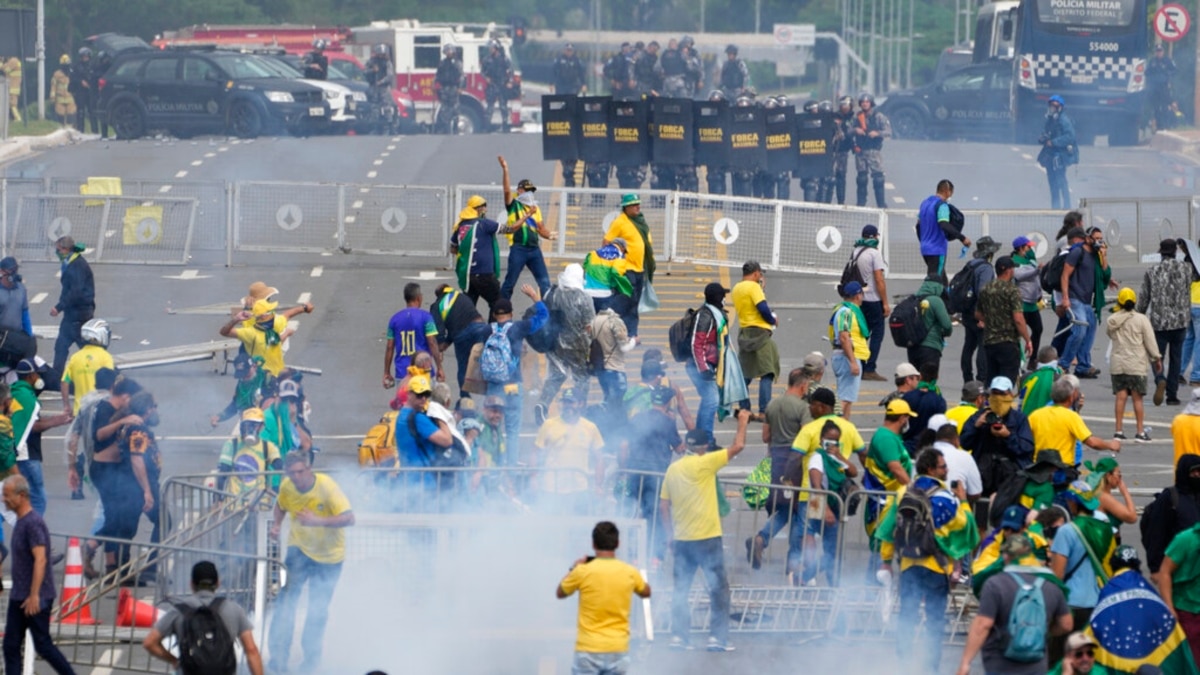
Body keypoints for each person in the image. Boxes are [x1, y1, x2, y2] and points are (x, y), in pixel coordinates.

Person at [875, 448, 979, 673]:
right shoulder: (947, 498)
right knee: (934, 621)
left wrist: (886, 560)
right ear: (931, 469)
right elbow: (966, 531)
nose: (947, 470)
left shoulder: (905, 491)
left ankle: (903, 665)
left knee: (907, 616)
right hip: (936, 568)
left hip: (908, 565)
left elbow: (888, 528)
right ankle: (931, 668)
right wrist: (964, 503)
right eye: (943, 467)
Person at [659, 410, 750, 652]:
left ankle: (679, 637)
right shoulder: (706, 462)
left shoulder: (673, 469)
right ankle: (717, 638)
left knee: (681, 590)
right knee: (718, 589)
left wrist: (669, 535)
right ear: (703, 447)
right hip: (707, 539)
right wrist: (742, 421)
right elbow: (738, 445)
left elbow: (663, 504)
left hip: (682, 540)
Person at [268, 452, 355, 674]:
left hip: (329, 558)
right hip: (299, 550)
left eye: (300, 472)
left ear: (308, 469)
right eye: (292, 473)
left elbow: (349, 518)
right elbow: (281, 504)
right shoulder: (287, 486)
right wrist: (277, 525)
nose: (296, 477)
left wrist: (317, 521)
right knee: (285, 605)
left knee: (317, 610)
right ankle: (278, 659)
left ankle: (311, 661)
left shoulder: (326, 486)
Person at [956, 533, 1073, 675]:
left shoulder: (995, 584)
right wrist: (1042, 631)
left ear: (1005, 556)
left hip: (1000, 664)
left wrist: (965, 662)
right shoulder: (1051, 585)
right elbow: (1066, 624)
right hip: (1036, 663)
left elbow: (983, 624)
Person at [1, 475, 76, 675]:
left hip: (35, 597)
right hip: (20, 595)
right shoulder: (21, 522)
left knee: (43, 644)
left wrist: (35, 595)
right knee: (11, 645)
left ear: (22, 495)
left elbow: (41, 559)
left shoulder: (33, 523)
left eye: (7, 495)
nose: (3, 499)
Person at [556, 522, 650, 675]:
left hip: (588, 648)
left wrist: (574, 568)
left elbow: (560, 592)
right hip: (618, 648)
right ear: (617, 544)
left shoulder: (582, 570)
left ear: (593, 544)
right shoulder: (629, 572)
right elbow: (646, 591)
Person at [144, 560, 263, 675]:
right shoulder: (234, 609)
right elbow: (251, 650)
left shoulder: (178, 611)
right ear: (217, 583)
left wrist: (174, 660)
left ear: (191, 584)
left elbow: (150, 643)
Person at [748, 368, 810, 570]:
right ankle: (793, 559)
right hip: (796, 463)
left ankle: (762, 539)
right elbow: (805, 437)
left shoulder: (772, 405)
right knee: (799, 509)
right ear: (802, 385)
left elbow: (766, 436)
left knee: (784, 507)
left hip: (777, 459)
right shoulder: (803, 408)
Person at [1049, 480, 1113, 662]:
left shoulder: (1067, 531)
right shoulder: (1103, 527)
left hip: (1070, 605)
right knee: (1086, 661)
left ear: (1072, 502)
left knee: (1060, 660)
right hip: (1095, 602)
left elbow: (1058, 575)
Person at [484, 286, 548, 464]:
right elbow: (543, 317)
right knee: (512, 430)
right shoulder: (518, 328)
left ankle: (493, 465)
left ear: (495, 315)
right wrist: (535, 297)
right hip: (513, 385)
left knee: (492, 428)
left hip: (494, 386)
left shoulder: (487, 331)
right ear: (511, 314)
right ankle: (510, 468)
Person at [627, 386, 683, 564]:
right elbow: (679, 448)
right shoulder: (667, 421)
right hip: (656, 473)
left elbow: (625, 445)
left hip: (634, 471)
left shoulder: (637, 418)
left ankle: (634, 555)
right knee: (655, 515)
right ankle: (655, 556)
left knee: (636, 511)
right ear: (667, 403)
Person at [535, 264, 596, 424]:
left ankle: (543, 404)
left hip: (556, 345)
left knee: (555, 377)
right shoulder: (584, 297)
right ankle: (579, 410)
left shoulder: (554, 294)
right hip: (579, 346)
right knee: (581, 379)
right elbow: (590, 324)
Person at [11, 358, 70, 515]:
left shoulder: (16, 392)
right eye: (38, 375)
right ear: (31, 376)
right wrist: (55, 422)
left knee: (16, 498)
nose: (40, 378)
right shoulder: (27, 398)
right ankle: (31, 531)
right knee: (38, 497)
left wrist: (57, 420)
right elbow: (33, 427)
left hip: (17, 453)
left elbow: (30, 421)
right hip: (27, 454)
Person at [534, 388, 605, 514]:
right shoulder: (549, 424)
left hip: (579, 489)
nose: (567, 406)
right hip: (552, 487)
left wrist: (598, 485)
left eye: (571, 402)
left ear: (581, 404)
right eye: (565, 402)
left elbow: (599, 458)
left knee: (578, 528)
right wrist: (533, 477)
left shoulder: (590, 427)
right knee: (552, 527)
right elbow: (536, 452)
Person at [961, 376, 1035, 497]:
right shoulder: (981, 416)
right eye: (995, 393)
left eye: (1002, 394)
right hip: (984, 474)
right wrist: (976, 426)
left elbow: (1026, 449)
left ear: (1010, 395)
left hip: (1010, 476)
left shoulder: (1019, 419)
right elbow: (964, 443)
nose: (998, 398)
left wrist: (1008, 436)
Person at [1139, 239, 1191, 406]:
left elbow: (1144, 298)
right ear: (1175, 252)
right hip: (1180, 321)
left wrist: (1138, 316)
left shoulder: (1152, 271)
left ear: (1160, 253)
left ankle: (1160, 379)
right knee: (1176, 358)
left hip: (1159, 322)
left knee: (1156, 356)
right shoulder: (1186, 269)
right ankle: (1172, 395)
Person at [1107, 287, 1162, 441]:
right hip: (1136, 364)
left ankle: (1118, 431)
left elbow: (1110, 334)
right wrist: (1156, 358)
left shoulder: (1113, 320)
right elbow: (1149, 341)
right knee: (1137, 399)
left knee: (1120, 397)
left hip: (1118, 364)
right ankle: (1140, 431)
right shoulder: (1141, 319)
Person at [1029, 375, 1121, 467]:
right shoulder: (1071, 416)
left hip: (1038, 467)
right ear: (1070, 397)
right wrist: (1110, 445)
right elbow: (1092, 442)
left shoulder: (1035, 415)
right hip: (1062, 468)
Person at [498, 157, 556, 299]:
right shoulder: (514, 205)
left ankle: (548, 312)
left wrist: (549, 235)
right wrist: (505, 169)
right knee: (510, 283)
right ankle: (501, 310)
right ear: (519, 191)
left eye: (531, 191)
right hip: (519, 248)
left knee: (545, 283)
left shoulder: (536, 208)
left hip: (534, 249)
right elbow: (506, 191)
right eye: (526, 190)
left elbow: (540, 228)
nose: (529, 194)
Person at [602, 194, 655, 342]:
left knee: (634, 302)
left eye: (638, 203)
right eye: (634, 204)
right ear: (626, 207)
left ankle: (632, 333)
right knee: (627, 299)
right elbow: (606, 242)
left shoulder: (641, 222)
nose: (638, 206)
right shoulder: (620, 222)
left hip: (639, 269)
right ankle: (617, 329)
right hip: (626, 269)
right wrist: (613, 261)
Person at [219, 297, 313, 378]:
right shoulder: (251, 333)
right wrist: (236, 319)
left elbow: (287, 315)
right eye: (271, 311)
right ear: (264, 316)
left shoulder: (275, 323)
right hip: (260, 379)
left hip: (276, 377)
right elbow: (224, 332)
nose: (274, 314)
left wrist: (304, 308)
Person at [976, 256, 1035, 385]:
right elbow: (1018, 319)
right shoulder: (1012, 290)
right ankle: (1002, 404)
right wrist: (1027, 339)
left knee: (991, 378)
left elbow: (978, 314)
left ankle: (989, 403)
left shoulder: (985, 289)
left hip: (989, 341)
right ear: (1008, 271)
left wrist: (992, 320)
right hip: (1008, 341)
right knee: (1007, 381)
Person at [732, 261, 778, 416]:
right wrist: (773, 320)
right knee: (767, 371)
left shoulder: (737, 288)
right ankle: (764, 410)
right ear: (756, 273)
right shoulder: (754, 287)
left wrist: (761, 289)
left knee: (745, 372)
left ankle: (745, 408)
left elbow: (748, 305)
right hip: (760, 333)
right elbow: (762, 308)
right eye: (760, 273)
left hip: (745, 333)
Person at [686, 283, 730, 441]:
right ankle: (707, 440)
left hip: (708, 365)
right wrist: (703, 368)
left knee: (708, 400)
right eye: (723, 296)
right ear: (718, 298)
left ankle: (700, 438)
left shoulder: (716, 314)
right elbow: (696, 343)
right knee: (712, 400)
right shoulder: (705, 316)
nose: (725, 299)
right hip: (699, 366)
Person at [1143, 455, 1200, 574]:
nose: (1197, 475)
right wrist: (1155, 568)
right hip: (1178, 568)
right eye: (1193, 472)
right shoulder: (1170, 498)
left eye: (1199, 471)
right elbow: (1156, 533)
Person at [1154, 522, 1200, 667]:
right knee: (1190, 663)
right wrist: (1169, 607)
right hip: (1187, 610)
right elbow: (1165, 572)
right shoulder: (1186, 539)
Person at [1059, 227, 1102, 378]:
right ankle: (1063, 365)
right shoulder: (1077, 252)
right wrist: (1065, 298)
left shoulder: (1095, 254)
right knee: (1080, 329)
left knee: (1090, 328)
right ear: (1088, 238)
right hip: (1074, 297)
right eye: (1096, 238)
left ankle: (1083, 366)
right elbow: (1065, 275)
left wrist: (1104, 255)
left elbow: (1103, 271)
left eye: (1100, 238)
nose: (1099, 241)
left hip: (1086, 300)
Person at [430, 283, 488, 392]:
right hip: (481, 328)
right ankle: (491, 400)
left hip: (462, 335)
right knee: (486, 364)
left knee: (463, 369)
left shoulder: (437, 305)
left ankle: (465, 400)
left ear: (438, 295)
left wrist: (440, 346)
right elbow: (459, 320)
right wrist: (447, 342)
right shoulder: (461, 296)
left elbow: (439, 330)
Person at [383, 284, 442, 389]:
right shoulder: (426, 317)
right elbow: (432, 342)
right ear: (419, 298)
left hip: (402, 373)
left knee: (405, 404)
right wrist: (439, 367)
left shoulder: (394, 319)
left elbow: (389, 347)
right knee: (425, 403)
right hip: (424, 372)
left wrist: (386, 372)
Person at [960, 236, 1002, 383]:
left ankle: (967, 377)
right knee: (983, 346)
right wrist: (983, 316)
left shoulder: (970, 264)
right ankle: (982, 379)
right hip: (978, 312)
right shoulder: (986, 268)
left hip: (966, 311)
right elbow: (983, 292)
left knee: (968, 345)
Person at [51, 235, 95, 375]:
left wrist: (59, 307)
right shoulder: (72, 262)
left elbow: (75, 291)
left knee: (79, 346)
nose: (57, 252)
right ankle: (57, 376)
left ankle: (102, 372)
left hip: (79, 312)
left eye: (58, 249)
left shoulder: (77, 265)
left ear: (65, 249)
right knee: (63, 346)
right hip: (75, 312)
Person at [851, 225, 890, 381]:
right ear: (874, 237)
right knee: (877, 334)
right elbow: (879, 280)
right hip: (873, 300)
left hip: (859, 299)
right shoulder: (874, 254)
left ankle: (859, 364)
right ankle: (870, 367)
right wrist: (885, 303)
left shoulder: (856, 251)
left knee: (862, 333)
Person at [450, 195, 501, 312]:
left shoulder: (461, 225)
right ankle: (495, 329)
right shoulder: (484, 224)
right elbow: (510, 229)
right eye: (484, 207)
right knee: (498, 304)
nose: (486, 210)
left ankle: (466, 329)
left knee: (468, 308)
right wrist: (525, 217)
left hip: (467, 275)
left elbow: (453, 248)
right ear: (478, 209)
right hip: (484, 274)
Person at [216, 407, 282, 496]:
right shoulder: (231, 445)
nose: (251, 428)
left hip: (260, 503)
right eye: (247, 424)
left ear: (261, 427)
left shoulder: (268, 447)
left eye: (255, 425)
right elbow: (222, 473)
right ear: (242, 426)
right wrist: (218, 500)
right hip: (234, 503)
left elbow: (279, 466)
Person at [917, 179, 971, 283]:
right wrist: (962, 238)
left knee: (942, 279)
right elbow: (944, 224)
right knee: (935, 282)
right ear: (947, 191)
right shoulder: (942, 205)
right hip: (937, 249)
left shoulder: (924, 203)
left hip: (925, 248)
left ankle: (947, 297)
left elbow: (918, 225)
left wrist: (923, 241)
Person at [830, 281, 870, 419]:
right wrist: (852, 361)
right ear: (857, 296)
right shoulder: (846, 312)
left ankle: (844, 431)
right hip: (847, 356)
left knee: (848, 398)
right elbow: (844, 337)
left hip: (846, 355)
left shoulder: (844, 310)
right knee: (845, 399)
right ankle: (831, 426)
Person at [61, 318, 113, 415]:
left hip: (79, 411)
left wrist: (66, 405)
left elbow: (65, 382)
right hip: (98, 411)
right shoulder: (105, 357)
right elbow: (111, 382)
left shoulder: (75, 357)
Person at [926, 415, 983, 503]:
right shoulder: (965, 457)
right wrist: (962, 499)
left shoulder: (922, 454)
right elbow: (975, 493)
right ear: (956, 440)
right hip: (954, 511)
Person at [592, 304, 631, 422]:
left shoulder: (594, 320)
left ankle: (607, 426)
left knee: (609, 399)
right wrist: (634, 341)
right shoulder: (614, 321)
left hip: (601, 368)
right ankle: (617, 428)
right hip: (615, 369)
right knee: (619, 403)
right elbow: (624, 347)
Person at [1038, 95, 1079, 210]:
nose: (1052, 108)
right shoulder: (1050, 120)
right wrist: (1043, 138)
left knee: (1061, 181)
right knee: (1052, 182)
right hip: (1050, 155)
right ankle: (1055, 208)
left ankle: (1066, 207)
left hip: (1060, 155)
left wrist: (1054, 142)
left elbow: (1070, 136)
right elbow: (1046, 132)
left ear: (1060, 108)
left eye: (1054, 106)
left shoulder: (1064, 120)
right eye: (1050, 105)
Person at [852, 93, 891, 208]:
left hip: (874, 151)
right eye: (863, 102)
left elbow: (888, 131)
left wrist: (877, 133)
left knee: (878, 178)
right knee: (861, 178)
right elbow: (848, 130)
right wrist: (855, 130)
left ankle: (881, 204)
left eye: (867, 102)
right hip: (860, 151)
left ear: (871, 103)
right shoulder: (857, 117)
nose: (864, 104)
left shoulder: (878, 116)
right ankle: (861, 203)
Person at [1012, 236, 1045, 368]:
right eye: (1028, 247)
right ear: (1020, 248)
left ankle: (1033, 358)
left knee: (1038, 329)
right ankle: (1018, 360)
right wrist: (1036, 270)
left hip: (1032, 303)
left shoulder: (1030, 261)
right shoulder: (1014, 261)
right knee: (1018, 332)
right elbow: (1019, 275)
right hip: (1021, 302)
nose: (1030, 249)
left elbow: (1036, 277)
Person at [900, 361, 947, 452]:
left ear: (920, 376)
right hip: (929, 448)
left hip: (907, 446)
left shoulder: (908, 397)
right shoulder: (939, 401)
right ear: (937, 377)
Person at [910, 277, 953, 371]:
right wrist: (945, 333)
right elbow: (947, 325)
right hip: (931, 346)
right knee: (928, 380)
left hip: (912, 346)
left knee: (915, 379)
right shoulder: (935, 301)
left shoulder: (913, 299)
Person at [0, 256, 32, 348]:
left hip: (16, 335)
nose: (14, 273)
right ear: (1, 271)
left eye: (15, 269)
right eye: (11, 270)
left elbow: (25, 313)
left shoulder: (21, 288)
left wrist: (29, 335)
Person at [481, 41, 512, 132]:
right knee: (490, 106)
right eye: (490, 48)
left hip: (502, 84)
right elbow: (482, 71)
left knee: (503, 106)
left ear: (496, 48)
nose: (490, 49)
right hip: (492, 84)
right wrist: (486, 78)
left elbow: (510, 70)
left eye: (492, 48)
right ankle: (487, 126)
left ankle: (505, 125)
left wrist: (509, 81)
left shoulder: (504, 59)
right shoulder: (487, 60)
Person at [1020, 347, 1062, 413]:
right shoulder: (1060, 379)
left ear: (1037, 361)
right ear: (1056, 360)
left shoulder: (1026, 377)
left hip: (1026, 416)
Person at [433, 44, 463, 133]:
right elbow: (438, 75)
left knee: (455, 108)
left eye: (449, 51)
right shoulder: (442, 63)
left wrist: (460, 87)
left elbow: (461, 76)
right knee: (444, 109)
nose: (448, 52)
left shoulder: (457, 63)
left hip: (454, 87)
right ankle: (445, 128)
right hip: (444, 88)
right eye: (447, 51)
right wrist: (434, 84)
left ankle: (455, 127)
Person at [1147, 44, 1177, 131]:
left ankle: (1166, 125)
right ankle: (1159, 126)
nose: (1159, 53)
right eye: (1157, 51)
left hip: (1164, 87)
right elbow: (1147, 72)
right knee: (1156, 108)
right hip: (1154, 88)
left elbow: (1175, 70)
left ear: (1163, 52)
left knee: (1165, 107)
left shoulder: (1167, 61)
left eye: (1160, 51)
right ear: (1155, 52)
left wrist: (1168, 75)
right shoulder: (1152, 61)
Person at [51, 55, 75, 128]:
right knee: (60, 114)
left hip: (70, 99)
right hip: (60, 99)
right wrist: (52, 96)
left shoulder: (72, 73)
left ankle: (70, 129)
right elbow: (53, 86)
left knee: (71, 114)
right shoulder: (57, 74)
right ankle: (62, 129)